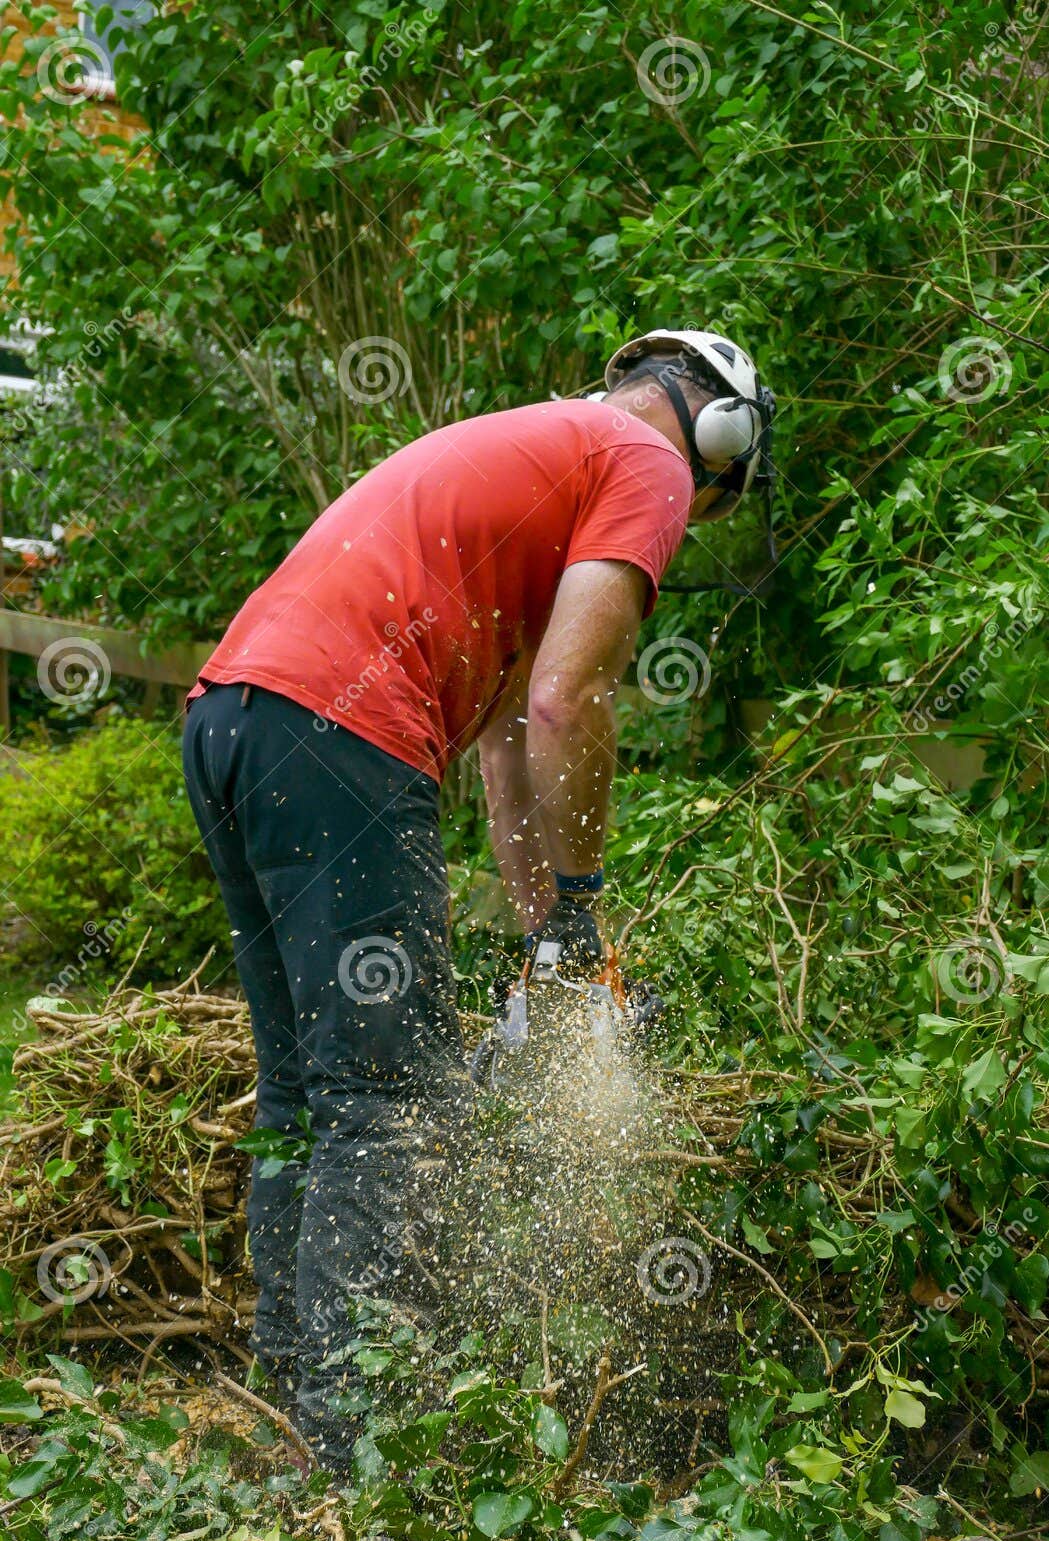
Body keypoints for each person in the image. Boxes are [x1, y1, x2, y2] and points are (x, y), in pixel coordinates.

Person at [182, 327, 774, 1468]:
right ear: (718, 441)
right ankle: (358, 1457)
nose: (686, 523)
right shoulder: (646, 463)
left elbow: (507, 742)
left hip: (232, 718)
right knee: (393, 1102)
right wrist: (592, 895)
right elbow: (568, 702)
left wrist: (549, 931)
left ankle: (292, 1417)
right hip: (340, 729)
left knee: (304, 1091)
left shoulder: (544, 458)